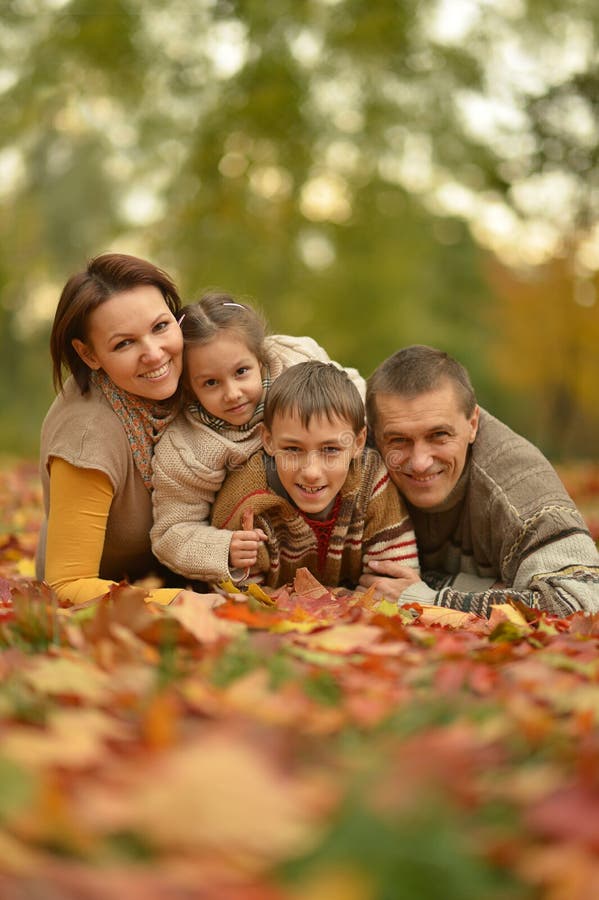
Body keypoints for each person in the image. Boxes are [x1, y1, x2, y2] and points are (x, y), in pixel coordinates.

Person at [360, 344, 599, 617]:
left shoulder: (517, 485)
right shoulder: (351, 461)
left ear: (472, 424)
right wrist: (470, 586)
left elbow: (581, 600)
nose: (420, 462)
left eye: (439, 435)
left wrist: (430, 598)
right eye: (398, 440)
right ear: (373, 436)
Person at [36, 252, 214, 607]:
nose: (153, 353)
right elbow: (67, 585)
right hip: (119, 595)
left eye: (160, 326)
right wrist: (181, 603)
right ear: (90, 356)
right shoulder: (87, 435)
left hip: (195, 569)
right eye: (124, 343)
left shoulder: (197, 368)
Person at [150, 294, 366, 583]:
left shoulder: (296, 362)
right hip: (260, 558)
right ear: (189, 386)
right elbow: (171, 531)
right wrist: (223, 549)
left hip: (330, 523)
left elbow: (353, 393)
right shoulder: (187, 448)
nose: (232, 393)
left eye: (241, 372)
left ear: (261, 360)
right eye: (211, 383)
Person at [209, 361, 419, 589]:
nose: (311, 472)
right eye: (292, 449)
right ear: (268, 441)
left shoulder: (371, 479)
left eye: (330, 450)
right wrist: (344, 600)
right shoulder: (248, 498)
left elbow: (394, 585)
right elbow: (240, 597)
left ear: (358, 442)